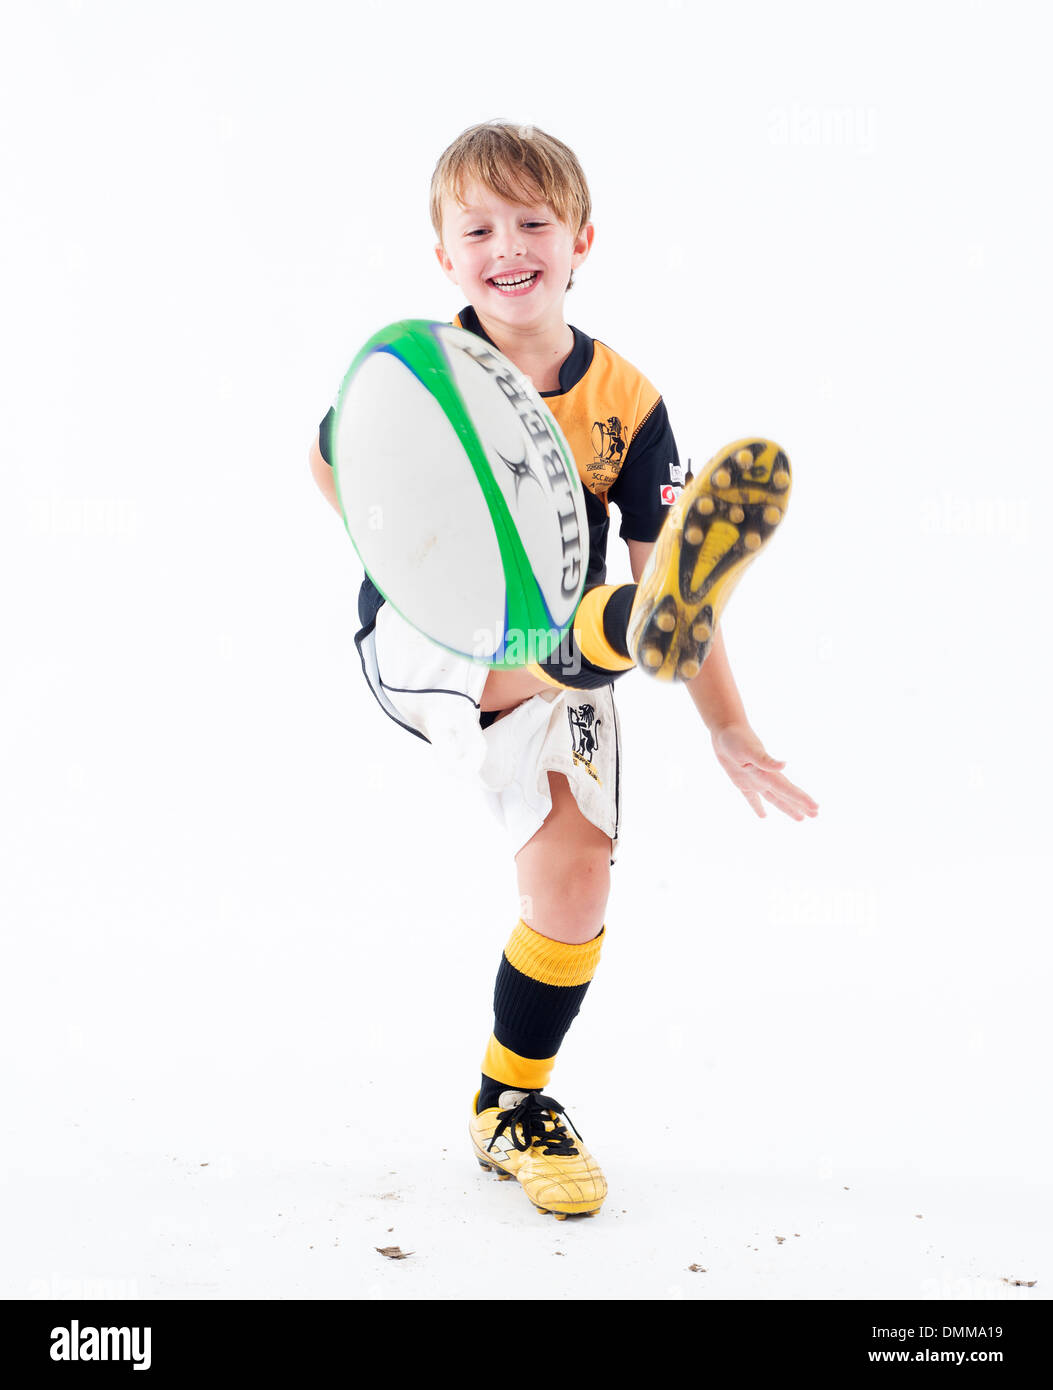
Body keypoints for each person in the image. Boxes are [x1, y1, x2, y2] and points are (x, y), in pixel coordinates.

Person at [309, 120, 818, 1220]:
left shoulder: (625, 403)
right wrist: (393, 543)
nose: (509, 244)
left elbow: (686, 587)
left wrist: (729, 727)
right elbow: (327, 451)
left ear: (582, 240)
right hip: (428, 639)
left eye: (534, 221)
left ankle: (512, 1103)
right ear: (444, 254)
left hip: (568, 642)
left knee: (575, 885)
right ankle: (609, 634)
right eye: (479, 225)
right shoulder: (418, 369)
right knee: (590, 635)